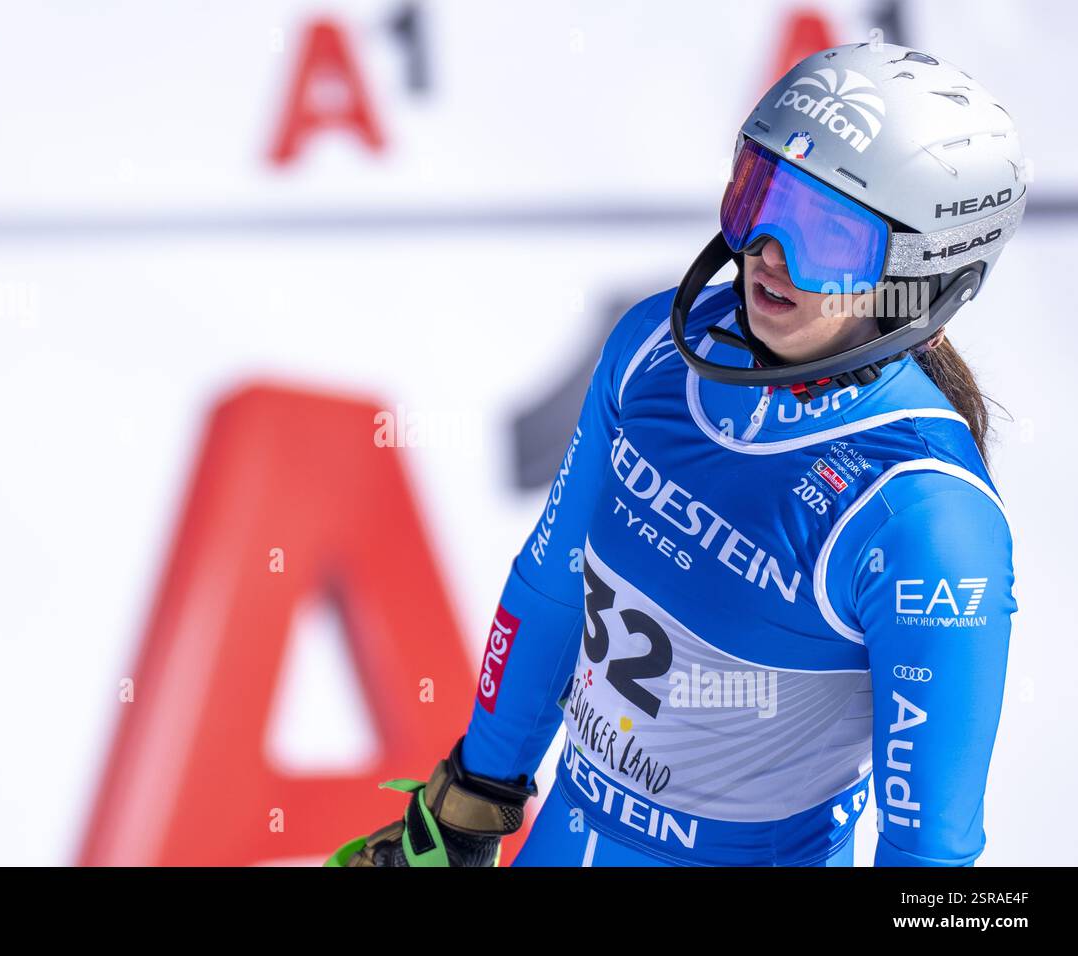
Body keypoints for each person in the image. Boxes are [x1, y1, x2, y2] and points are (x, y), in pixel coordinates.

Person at [327, 41, 1026, 867]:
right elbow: (553, 583)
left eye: (823, 232)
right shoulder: (660, 345)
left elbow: (933, 855)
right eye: (760, 195)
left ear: (921, 282)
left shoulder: (927, 517)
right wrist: (469, 802)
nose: (768, 251)